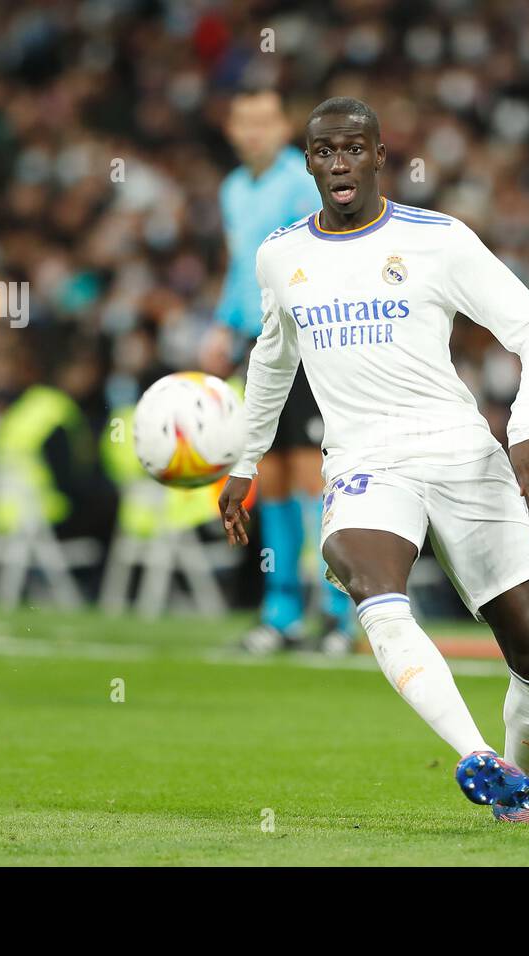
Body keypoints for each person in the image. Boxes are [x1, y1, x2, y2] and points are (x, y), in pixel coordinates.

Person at [217, 97, 529, 823]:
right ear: (309, 161)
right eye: (324, 151)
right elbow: (271, 361)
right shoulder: (282, 254)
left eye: (354, 149)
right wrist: (246, 460)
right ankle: (476, 756)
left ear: (379, 156)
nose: (339, 163)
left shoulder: (438, 240)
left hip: (459, 450)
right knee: (365, 576)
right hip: (364, 460)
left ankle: (516, 782)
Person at [200, 89, 351, 655]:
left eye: (265, 120)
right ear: (232, 128)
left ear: (283, 126)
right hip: (261, 343)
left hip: (312, 341)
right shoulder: (233, 189)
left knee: (317, 477)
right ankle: (282, 610)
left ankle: (338, 614)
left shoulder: (303, 179)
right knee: (275, 477)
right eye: (245, 119)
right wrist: (222, 323)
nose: (255, 130)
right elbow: (243, 266)